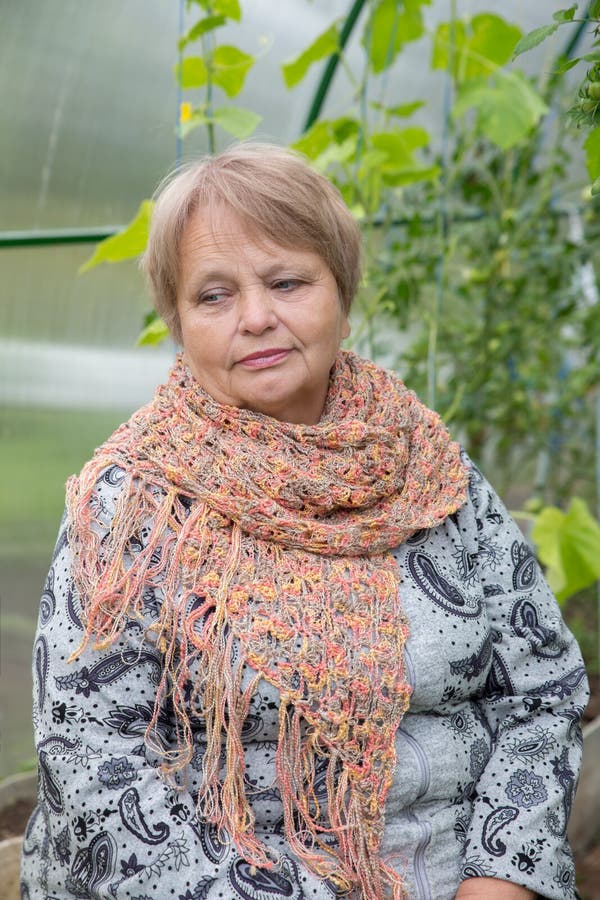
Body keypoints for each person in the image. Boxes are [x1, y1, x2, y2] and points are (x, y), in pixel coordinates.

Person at [21, 144, 588, 900]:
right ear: (179, 321)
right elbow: (92, 760)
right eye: (214, 296)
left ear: (341, 295)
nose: (257, 318)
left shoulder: (428, 469)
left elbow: (540, 691)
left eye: (287, 282)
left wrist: (501, 879)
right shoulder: (128, 510)